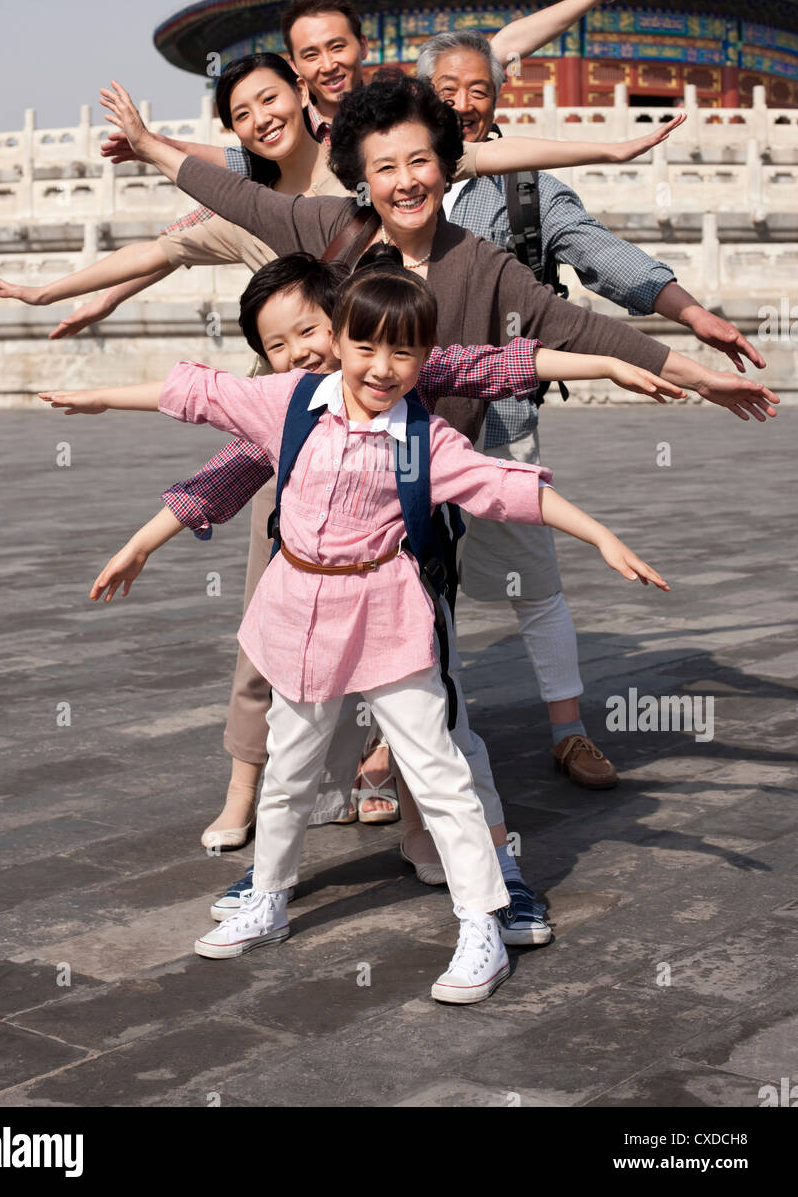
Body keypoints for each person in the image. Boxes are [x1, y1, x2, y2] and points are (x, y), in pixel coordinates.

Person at [38, 264, 670, 1004]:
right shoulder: (293, 403)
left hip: (387, 613)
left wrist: (602, 538)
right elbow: (202, 393)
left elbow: (508, 487)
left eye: (403, 353)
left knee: (436, 770)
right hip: (299, 612)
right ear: (338, 341)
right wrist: (99, 399)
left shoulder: (424, 440)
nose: (382, 368)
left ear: (424, 355)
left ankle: (480, 924)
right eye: (364, 346)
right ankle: (269, 897)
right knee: (291, 770)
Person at [419, 26, 772, 788]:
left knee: (535, 583)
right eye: (448, 88)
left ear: (499, 98)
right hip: (398, 428)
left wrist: (690, 312)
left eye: (480, 89)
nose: (464, 104)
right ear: (421, 93)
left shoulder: (525, 189)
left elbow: (600, 253)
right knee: (411, 588)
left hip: (499, 421)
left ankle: (568, 729)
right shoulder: (387, 181)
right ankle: (401, 740)